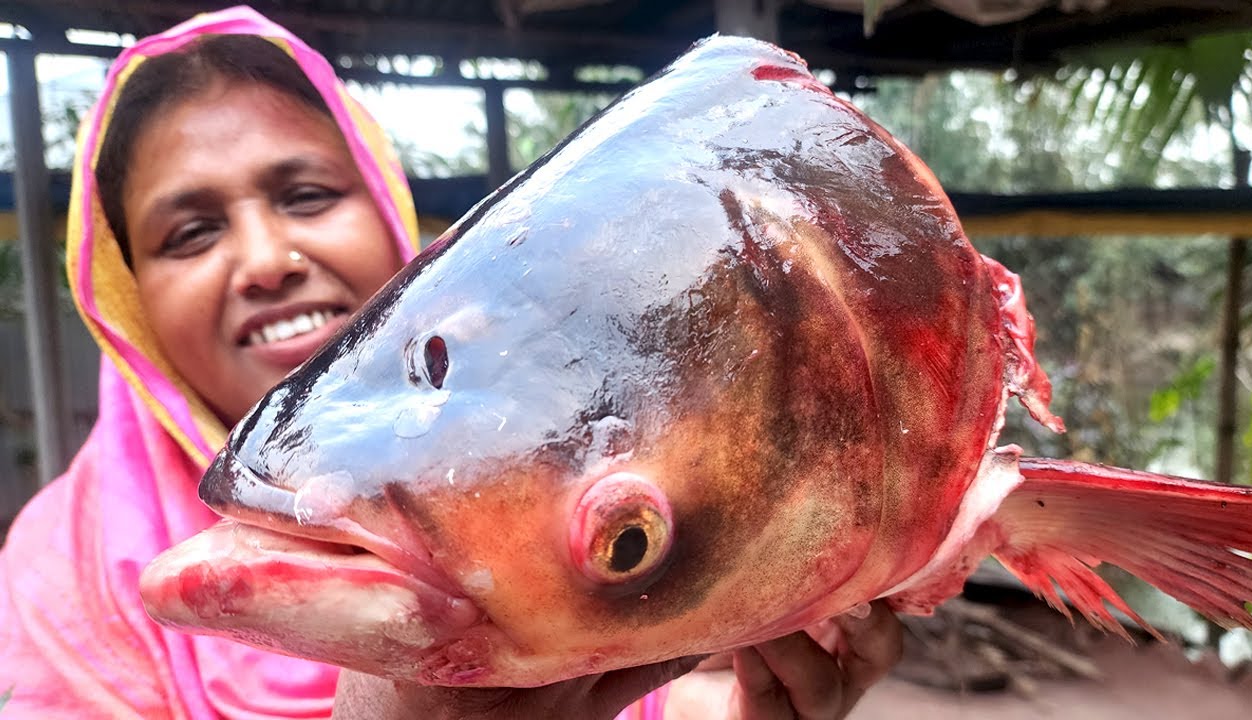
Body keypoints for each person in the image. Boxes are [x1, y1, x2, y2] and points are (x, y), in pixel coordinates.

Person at [0, 7, 901, 719]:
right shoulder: (58, 574)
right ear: (127, 301)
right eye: (191, 231)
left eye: (307, 194)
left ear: (394, 216)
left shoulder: (602, 444)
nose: (268, 257)